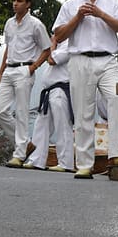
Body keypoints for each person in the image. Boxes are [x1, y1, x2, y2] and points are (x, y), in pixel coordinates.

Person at [53, 0, 118, 179]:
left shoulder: (112, 2)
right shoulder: (70, 4)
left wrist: (100, 14)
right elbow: (59, 36)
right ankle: (85, 164)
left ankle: (115, 154)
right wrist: (78, 16)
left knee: (115, 100)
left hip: (107, 59)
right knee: (83, 111)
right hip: (80, 59)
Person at [0, 0, 51, 167]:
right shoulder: (9, 23)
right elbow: (8, 48)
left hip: (25, 70)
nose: (15, 4)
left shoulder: (36, 24)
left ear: (28, 4)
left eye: (19, 1)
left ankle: (18, 155)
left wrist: (33, 67)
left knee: (21, 112)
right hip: (9, 69)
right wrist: (0, 72)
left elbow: (47, 49)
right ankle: (25, 144)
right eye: (14, 0)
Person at [23, 37, 75, 172]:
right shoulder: (60, 44)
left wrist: (52, 43)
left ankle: (65, 163)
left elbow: (51, 60)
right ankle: (36, 160)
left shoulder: (70, 43)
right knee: (41, 125)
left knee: (62, 126)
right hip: (49, 90)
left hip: (61, 89)